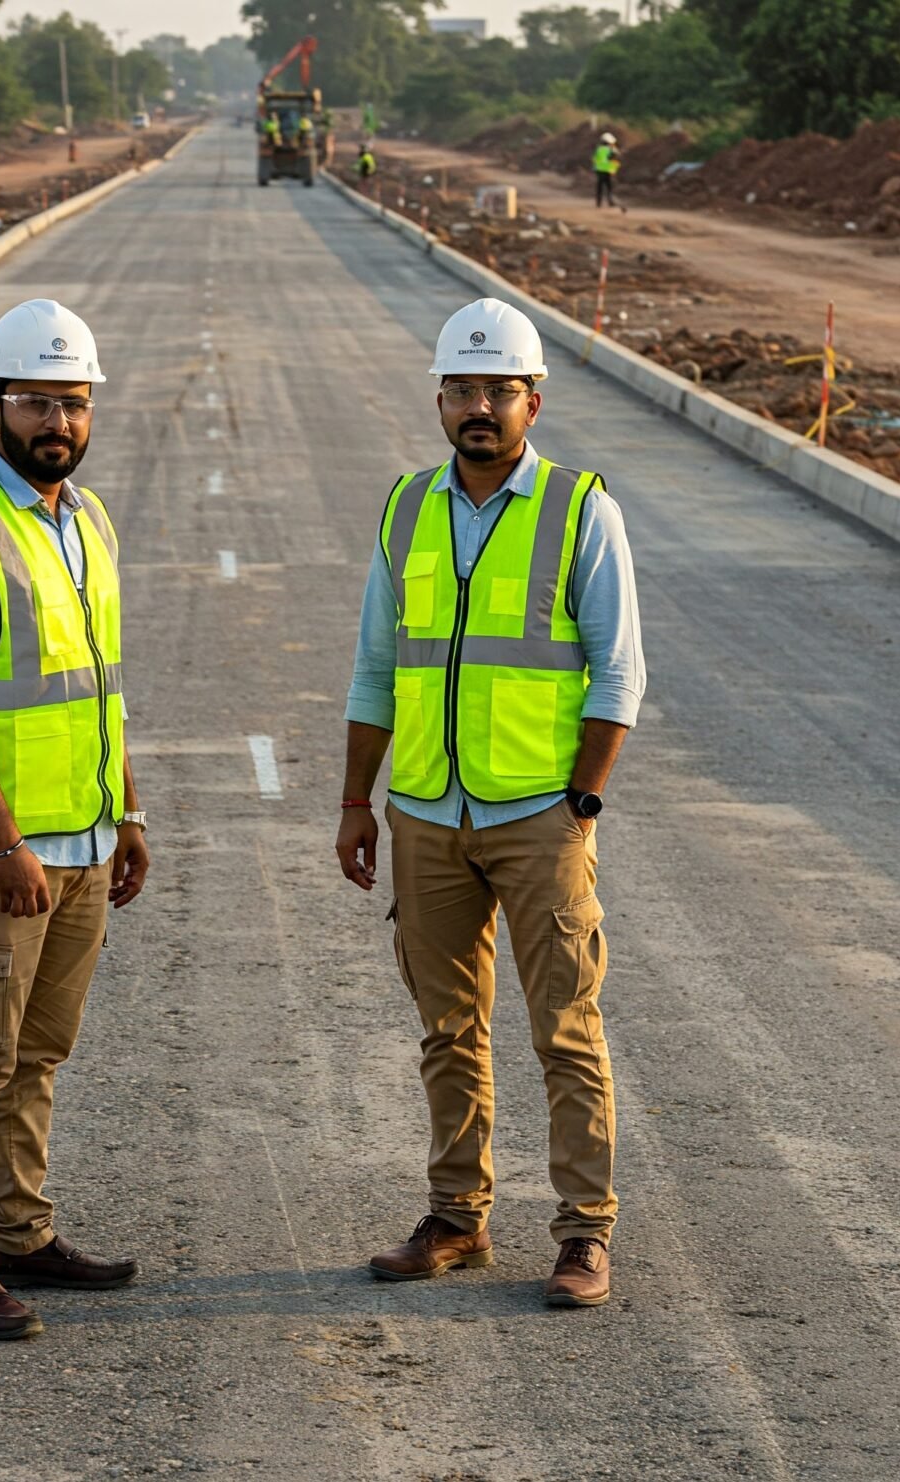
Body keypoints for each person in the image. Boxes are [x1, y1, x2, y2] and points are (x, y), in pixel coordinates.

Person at [336, 298, 645, 1308]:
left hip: (536, 815)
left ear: (532, 400)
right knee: (447, 1028)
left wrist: (582, 802)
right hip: (426, 810)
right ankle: (458, 1215)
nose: (479, 408)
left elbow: (618, 675)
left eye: (497, 391)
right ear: (439, 399)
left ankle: (582, 1235)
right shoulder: (406, 508)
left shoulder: (580, 508)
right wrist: (356, 800)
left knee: (566, 1028)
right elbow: (377, 670)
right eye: (462, 390)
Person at [0, 298, 151, 1341]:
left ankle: (21, 1230)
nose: (59, 421)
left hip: (83, 845)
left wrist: (127, 810)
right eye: (39, 401)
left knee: (38, 1055)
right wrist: (3, 841)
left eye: (76, 402)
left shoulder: (86, 521)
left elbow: (99, 686)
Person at [593, 131, 622, 209]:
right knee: (609, 186)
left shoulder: (598, 149)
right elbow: (615, 158)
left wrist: (596, 167)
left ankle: (598, 203)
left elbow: (594, 159)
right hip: (608, 170)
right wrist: (614, 168)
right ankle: (610, 201)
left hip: (599, 170)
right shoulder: (611, 149)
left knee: (600, 186)